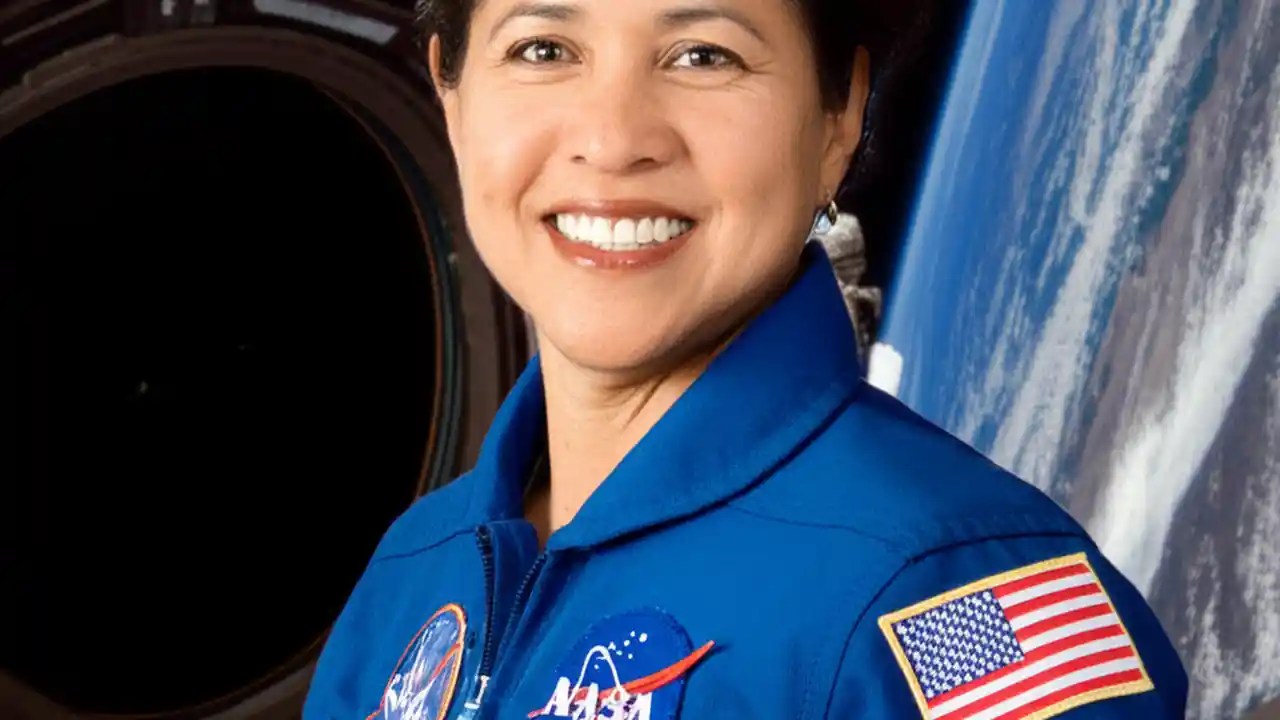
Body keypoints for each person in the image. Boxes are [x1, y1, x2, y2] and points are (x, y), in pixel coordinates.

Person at [302, 1, 1189, 718]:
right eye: (542, 48)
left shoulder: (957, 598)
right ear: (453, 101)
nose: (614, 140)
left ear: (839, 113)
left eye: (702, 55)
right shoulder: (413, 575)